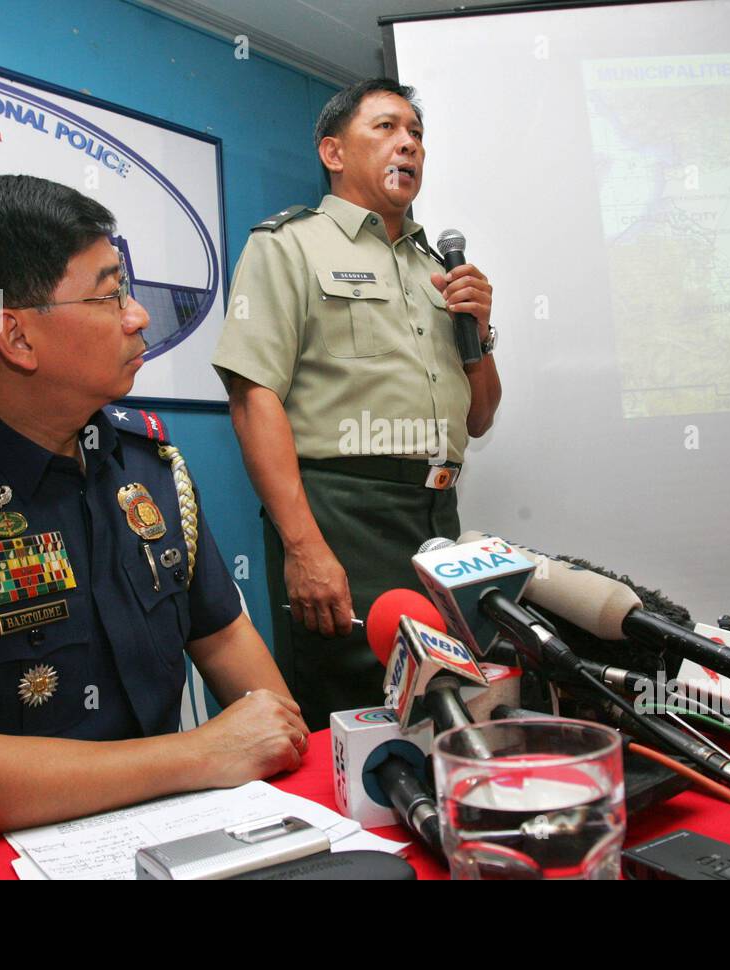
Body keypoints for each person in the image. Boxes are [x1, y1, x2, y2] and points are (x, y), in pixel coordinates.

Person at [0, 175, 308, 854]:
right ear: (17, 338)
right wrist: (200, 755)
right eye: (110, 294)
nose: (137, 316)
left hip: (178, 845)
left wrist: (284, 749)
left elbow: (224, 636)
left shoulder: (150, 466)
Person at [212, 79, 502, 730]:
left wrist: (478, 333)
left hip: (435, 512)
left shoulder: (439, 267)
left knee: (442, 708)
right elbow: (252, 394)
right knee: (355, 712)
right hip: (342, 512)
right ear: (334, 153)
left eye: (417, 134)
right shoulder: (288, 244)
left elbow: (479, 417)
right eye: (387, 128)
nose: (408, 144)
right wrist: (304, 547)